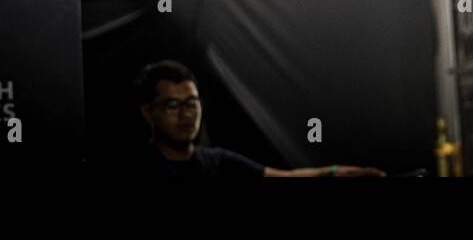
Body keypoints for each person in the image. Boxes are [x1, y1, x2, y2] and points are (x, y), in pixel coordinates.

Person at [133, 60, 384, 179]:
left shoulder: (216, 162)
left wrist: (333, 172)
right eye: (173, 105)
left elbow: (284, 178)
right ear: (148, 111)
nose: (186, 114)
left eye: (191, 103)